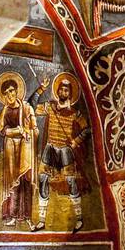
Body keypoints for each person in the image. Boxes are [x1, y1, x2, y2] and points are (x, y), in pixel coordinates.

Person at [28, 74, 90, 232]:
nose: (63, 93)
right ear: (57, 92)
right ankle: (42, 221)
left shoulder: (74, 113)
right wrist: (41, 89)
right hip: (50, 148)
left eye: (66, 91)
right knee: (43, 179)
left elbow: (87, 128)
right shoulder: (50, 107)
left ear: (69, 94)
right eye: (61, 90)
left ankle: (79, 219)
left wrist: (76, 141)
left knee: (71, 181)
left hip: (65, 150)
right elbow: (31, 107)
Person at [0, 74, 37, 227]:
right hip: (11, 150)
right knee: (13, 182)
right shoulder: (4, 111)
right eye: (6, 93)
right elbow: (1, 129)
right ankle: (12, 215)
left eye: (12, 91)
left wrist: (26, 130)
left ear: (17, 92)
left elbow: (33, 127)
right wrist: (6, 110)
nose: (10, 95)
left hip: (25, 148)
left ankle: (27, 217)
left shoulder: (25, 107)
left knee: (25, 181)